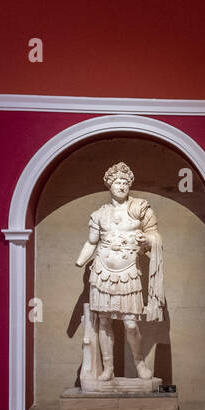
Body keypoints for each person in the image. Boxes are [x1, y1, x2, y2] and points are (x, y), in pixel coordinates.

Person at [75, 161, 164, 381]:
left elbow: (155, 235)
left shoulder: (140, 208)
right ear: (109, 185)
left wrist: (147, 240)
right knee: (104, 322)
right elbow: (91, 242)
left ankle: (139, 362)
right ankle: (109, 368)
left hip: (128, 273)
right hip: (102, 272)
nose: (122, 186)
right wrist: (79, 261)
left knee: (131, 324)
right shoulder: (99, 215)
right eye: (117, 182)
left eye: (125, 182)